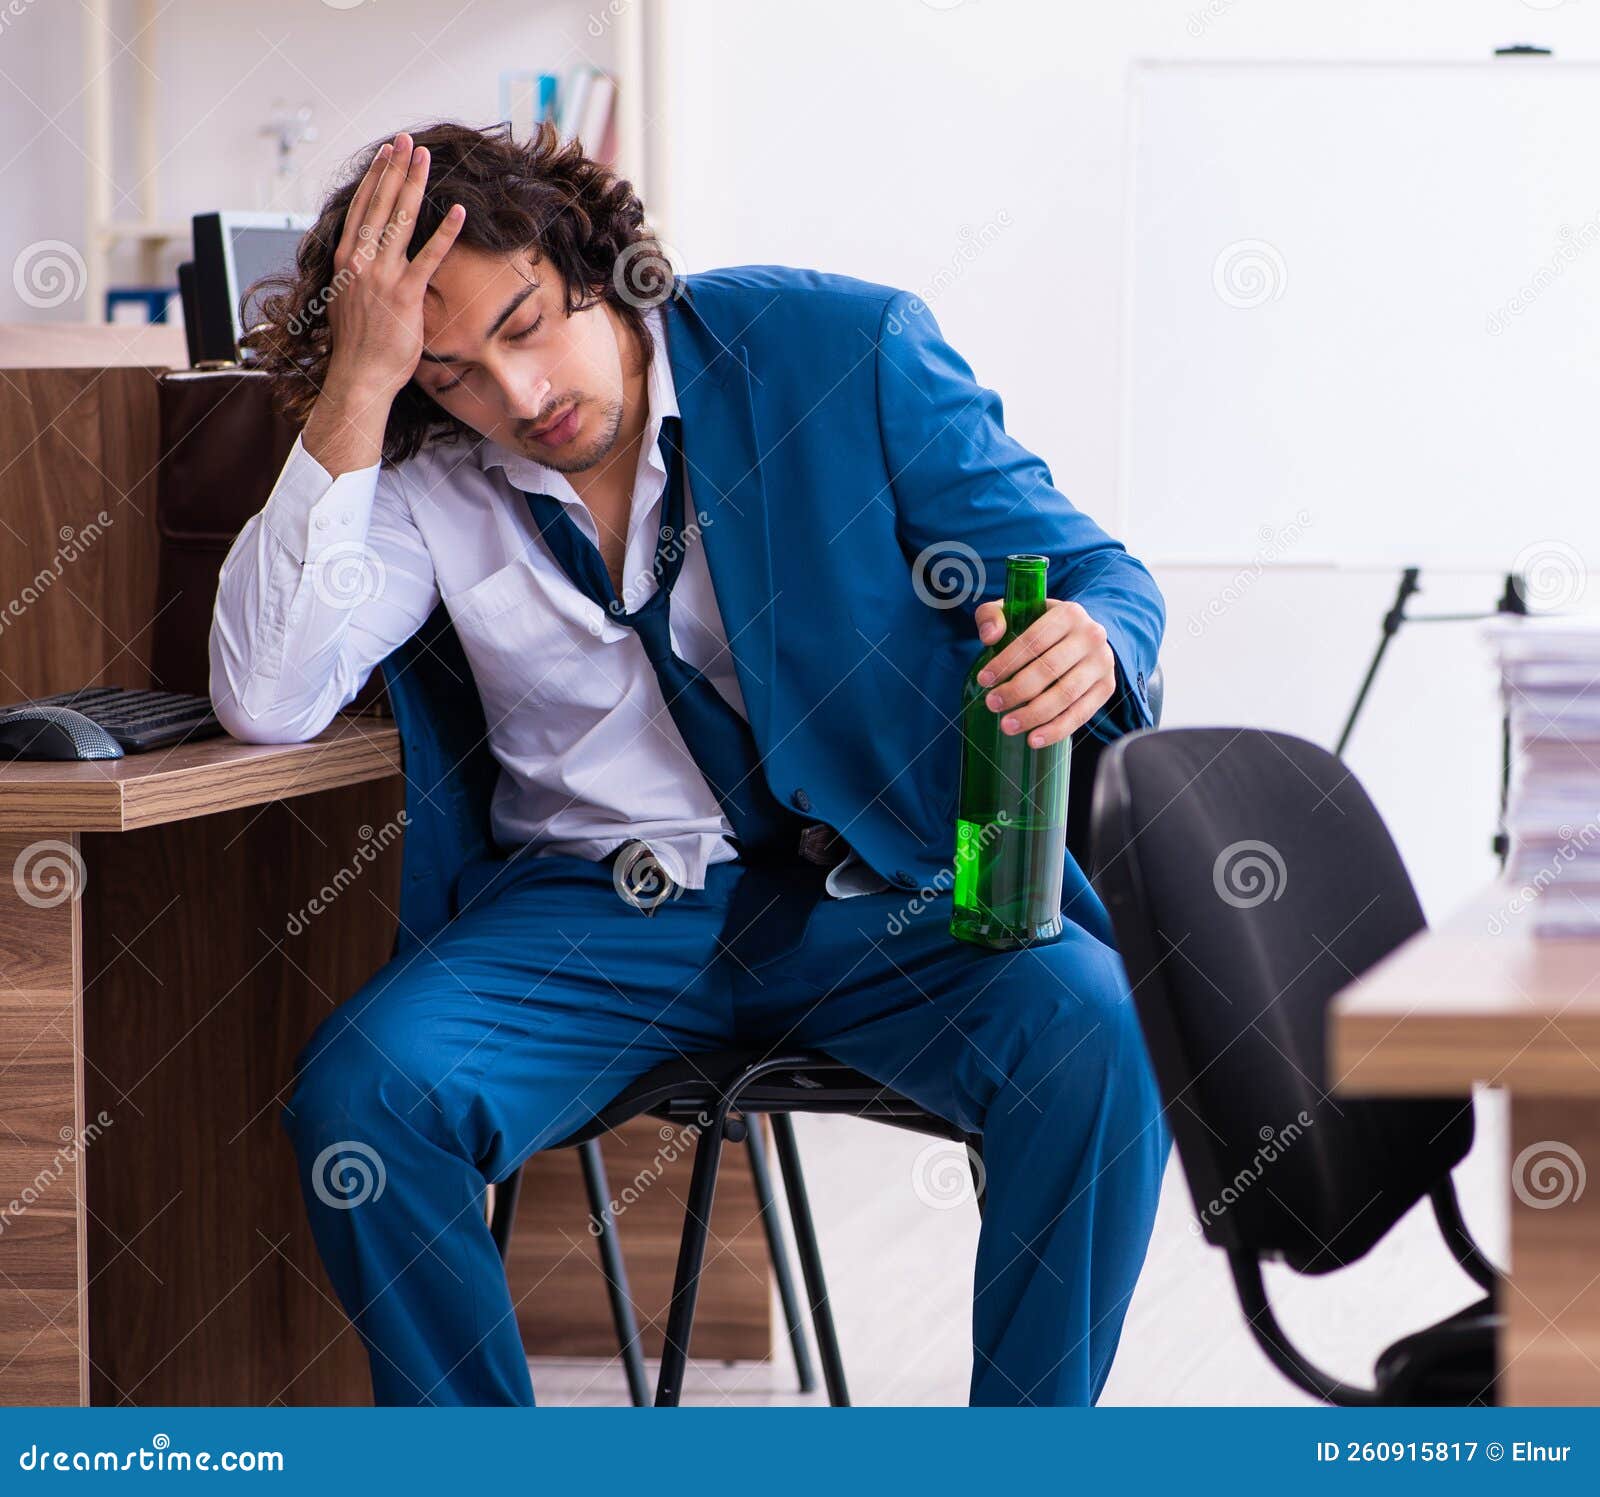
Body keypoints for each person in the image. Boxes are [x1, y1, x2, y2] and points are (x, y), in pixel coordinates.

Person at [209, 119, 1170, 1407]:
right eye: (451, 374)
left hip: (884, 897)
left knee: (1097, 1033)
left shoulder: (840, 354)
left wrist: (1093, 641)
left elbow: (1101, 575)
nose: (518, 397)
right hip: (589, 920)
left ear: (590, 262)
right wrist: (362, 390)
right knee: (371, 1100)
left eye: (526, 323)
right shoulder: (425, 473)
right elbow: (267, 699)